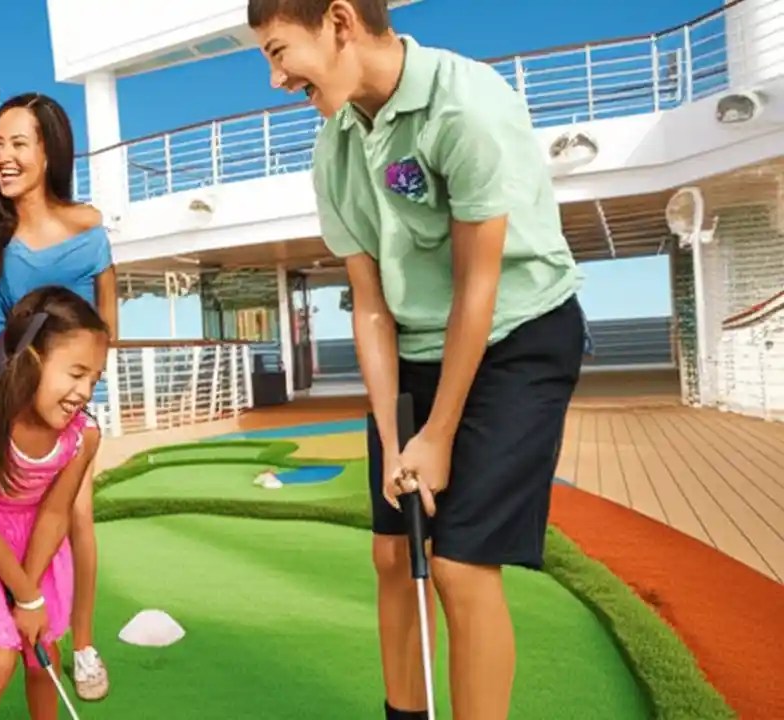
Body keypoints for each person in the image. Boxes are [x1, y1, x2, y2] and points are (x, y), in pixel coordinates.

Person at [247, 2, 586, 719]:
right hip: (413, 345)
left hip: (516, 336)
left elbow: (479, 285)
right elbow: (369, 304)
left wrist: (437, 436)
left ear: (339, 20)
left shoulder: (467, 106)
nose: (275, 78)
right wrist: (397, 436)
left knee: (458, 564)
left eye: (279, 52)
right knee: (393, 555)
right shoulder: (332, 146)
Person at [0, 91, 116, 701]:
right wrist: (38, 391)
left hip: (72, 397)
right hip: (7, 399)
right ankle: (21, 619)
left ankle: (81, 641)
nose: (3, 155)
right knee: (16, 536)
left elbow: (105, 322)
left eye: (18, 143)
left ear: (49, 151)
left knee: (76, 514)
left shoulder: (91, 227)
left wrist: (80, 380)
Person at [0, 285, 108, 719]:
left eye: (94, 379)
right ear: (31, 359)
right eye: (75, 373)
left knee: (41, 653)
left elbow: (55, 514)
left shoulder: (82, 437)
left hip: (39, 538)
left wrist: (28, 595)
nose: (85, 391)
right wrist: (26, 597)